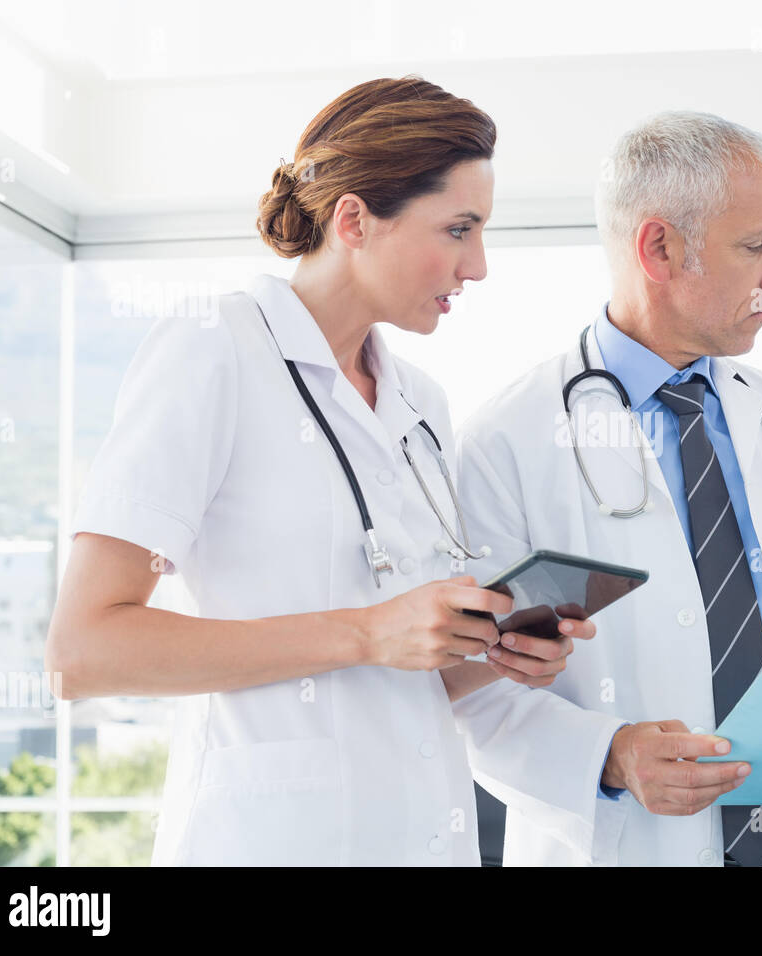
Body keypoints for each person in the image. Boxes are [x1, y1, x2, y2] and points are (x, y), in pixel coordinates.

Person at [45, 76, 593, 866]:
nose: (477, 266)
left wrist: (487, 656)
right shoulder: (214, 349)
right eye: (459, 229)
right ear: (353, 220)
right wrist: (369, 632)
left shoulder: (422, 405)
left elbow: (399, 677)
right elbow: (82, 653)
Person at [449, 111, 762, 867]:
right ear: (658, 247)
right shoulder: (506, 438)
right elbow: (477, 687)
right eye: (757, 245)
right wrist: (611, 756)